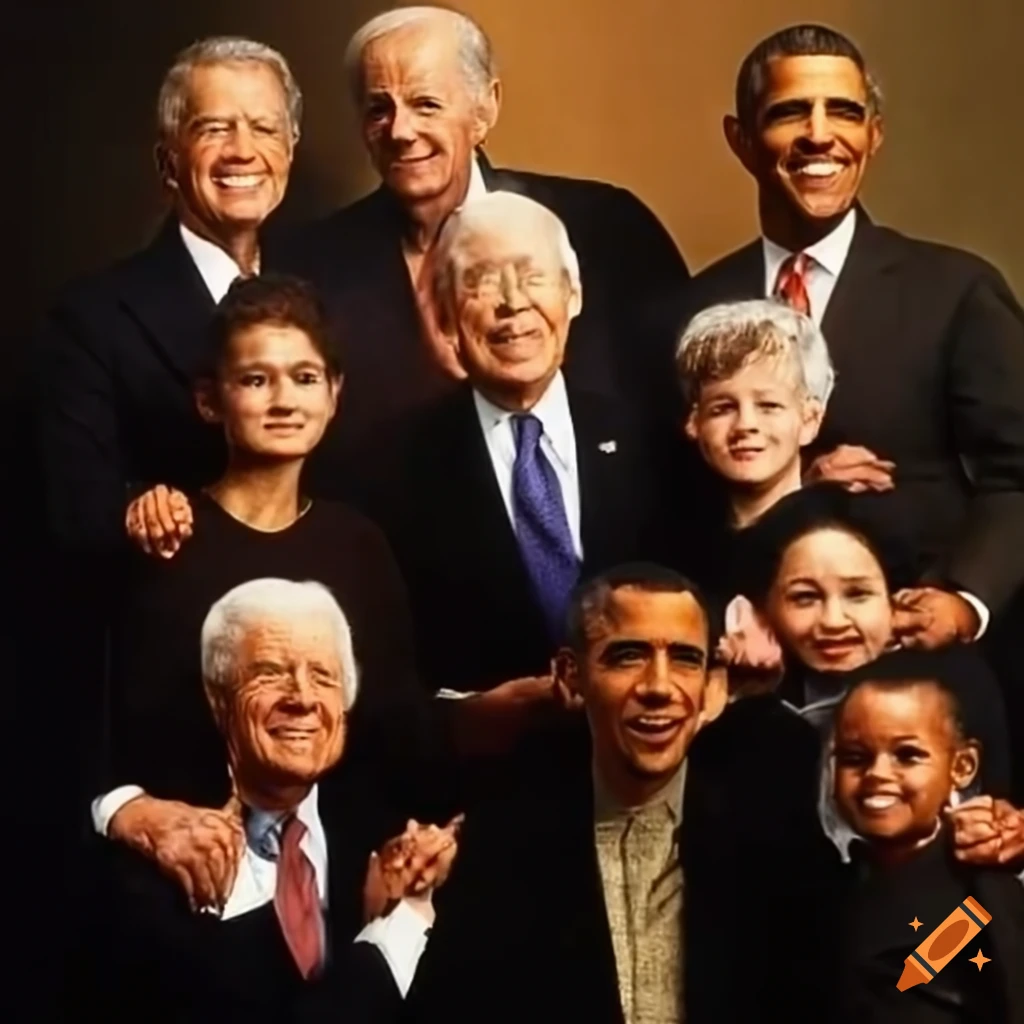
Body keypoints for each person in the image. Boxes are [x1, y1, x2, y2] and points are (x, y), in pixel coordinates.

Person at [680, 24, 1024, 672]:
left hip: (921, 668)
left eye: (844, 111)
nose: (819, 134)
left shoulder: (956, 290)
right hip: (751, 679)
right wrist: (791, 493)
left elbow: (1018, 477)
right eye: (789, 112)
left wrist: (964, 599)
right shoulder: (690, 309)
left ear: (875, 135)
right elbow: (666, 500)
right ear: (742, 140)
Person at [95, 274, 442, 915]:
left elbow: (399, 729)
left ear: (335, 394)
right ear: (210, 400)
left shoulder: (359, 545)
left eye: (305, 378)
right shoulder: (166, 541)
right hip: (187, 889)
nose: (284, 400)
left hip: (340, 887)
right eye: (256, 380)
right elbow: (112, 730)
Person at [279, 6, 690, 501]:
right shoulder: (311, 268)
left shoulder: (608, 229)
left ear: (485, 108)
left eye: (426, 103)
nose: (400, 130)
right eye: (378, 109)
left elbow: (687, 405)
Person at [410, 563, 836, 1023]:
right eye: (628, 656)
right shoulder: (504, 850)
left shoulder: (774, 849)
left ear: (712, 686)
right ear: (570, 675)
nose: (659, 687)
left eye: (685, 659)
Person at [100, 577, 462, 1023]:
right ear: (219, 698)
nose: (304, 698)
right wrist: (399, 926)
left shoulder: (391, 841)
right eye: (270, 672)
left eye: (324, 676)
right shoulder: (156, 862)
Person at [374, 192, 685, 701]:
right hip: (477, 768)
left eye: (533, 276)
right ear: (448, 319)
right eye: (481, 281)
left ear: (574, 294)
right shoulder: (394, 466)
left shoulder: (651, 441)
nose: (512, 302)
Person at [36, 36, 301, 555]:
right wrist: (148, 515)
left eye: (265, 128)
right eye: (213, 128)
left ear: (290, 150)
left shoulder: (327, 285)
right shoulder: (90, 319)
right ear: (167, 162)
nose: (242, 150)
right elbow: (77, 512)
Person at [735, 485, 1012, 795]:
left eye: (858, 595)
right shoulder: (748, 694)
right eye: (805, 598)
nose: (833, 621)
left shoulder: (960, 684)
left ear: (896, 600)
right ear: (766, 608)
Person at [824, 652, 1024, 1023]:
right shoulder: (825, 885)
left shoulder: (979, 895)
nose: (877, 774)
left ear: (962, 766)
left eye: (908, 755)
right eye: (855, 758)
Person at [674, 297, 834, 598]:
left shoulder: (843, 541)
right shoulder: (673, 551)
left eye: (769, 406)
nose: (745, 424)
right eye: (723, 408)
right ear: (694, 422)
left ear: (810, 419)